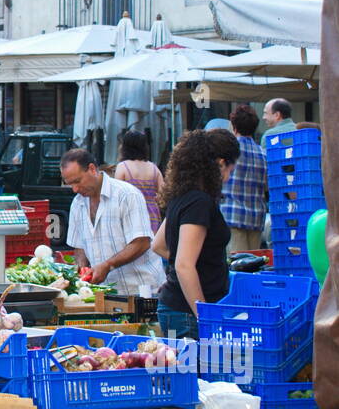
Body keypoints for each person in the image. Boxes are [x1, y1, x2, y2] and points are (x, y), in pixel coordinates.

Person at [152, 129, 240, 339]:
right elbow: (183, 265)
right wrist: (205, 316)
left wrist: (200, 264)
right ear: (219, 164)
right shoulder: (199, 203)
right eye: (230, 170)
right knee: (197, 372)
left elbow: (158, 245)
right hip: (186, 314)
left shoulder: (182, 197)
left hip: (175, 307)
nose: (228, 177)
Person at [61, 148, 165, 297]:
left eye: (77, 181)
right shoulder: (77, 204)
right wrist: (81, 269)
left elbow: (141, 242)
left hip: (141, 289)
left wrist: (107, 265)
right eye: (70, 184)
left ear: (92, 169)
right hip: (106, 293)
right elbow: (79, 247)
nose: (75, 189)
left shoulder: (127, 195)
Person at [222, 104, 267, 253]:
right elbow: (266, 187)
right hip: (256, 218)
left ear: (234, 126)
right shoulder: (263, 153)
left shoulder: (228, 150)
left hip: (232, 215)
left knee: (236, 266)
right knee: (253, 266)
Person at [113, 130, 164, 234]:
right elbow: (163, 196)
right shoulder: (154, 168)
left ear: (124, 147)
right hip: (152, 216)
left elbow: (116, 196)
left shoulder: (123, 167)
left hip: (131, 215)